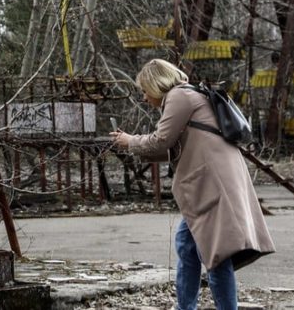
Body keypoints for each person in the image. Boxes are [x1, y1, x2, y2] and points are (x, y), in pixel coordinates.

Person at [110, 59, 273, 310]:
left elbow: (160, 141)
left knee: (216, 254)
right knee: (187, 246)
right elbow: (173, 148)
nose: (144, 97)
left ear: (156, 84)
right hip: (210, 183)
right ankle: (185, 307)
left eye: (144, 90)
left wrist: (130, 141)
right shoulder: (187, 95)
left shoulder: (178, 97)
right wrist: (131, 144)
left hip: (212, 185)